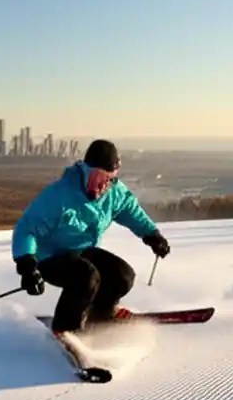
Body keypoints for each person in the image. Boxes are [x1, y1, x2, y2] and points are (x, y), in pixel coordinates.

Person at [11, 139, 171, 334]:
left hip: (81, 253)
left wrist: (152, 235)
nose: (104, 184)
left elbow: (131, 212)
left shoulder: (113, 192)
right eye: (100, 177)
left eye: (110, 178)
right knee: (86, 277)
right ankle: (65, 329)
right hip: (48, 258)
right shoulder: (59, 195)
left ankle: (101, 313)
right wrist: (27, 266)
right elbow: (27, 229)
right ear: (86, 170)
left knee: (122, 276)